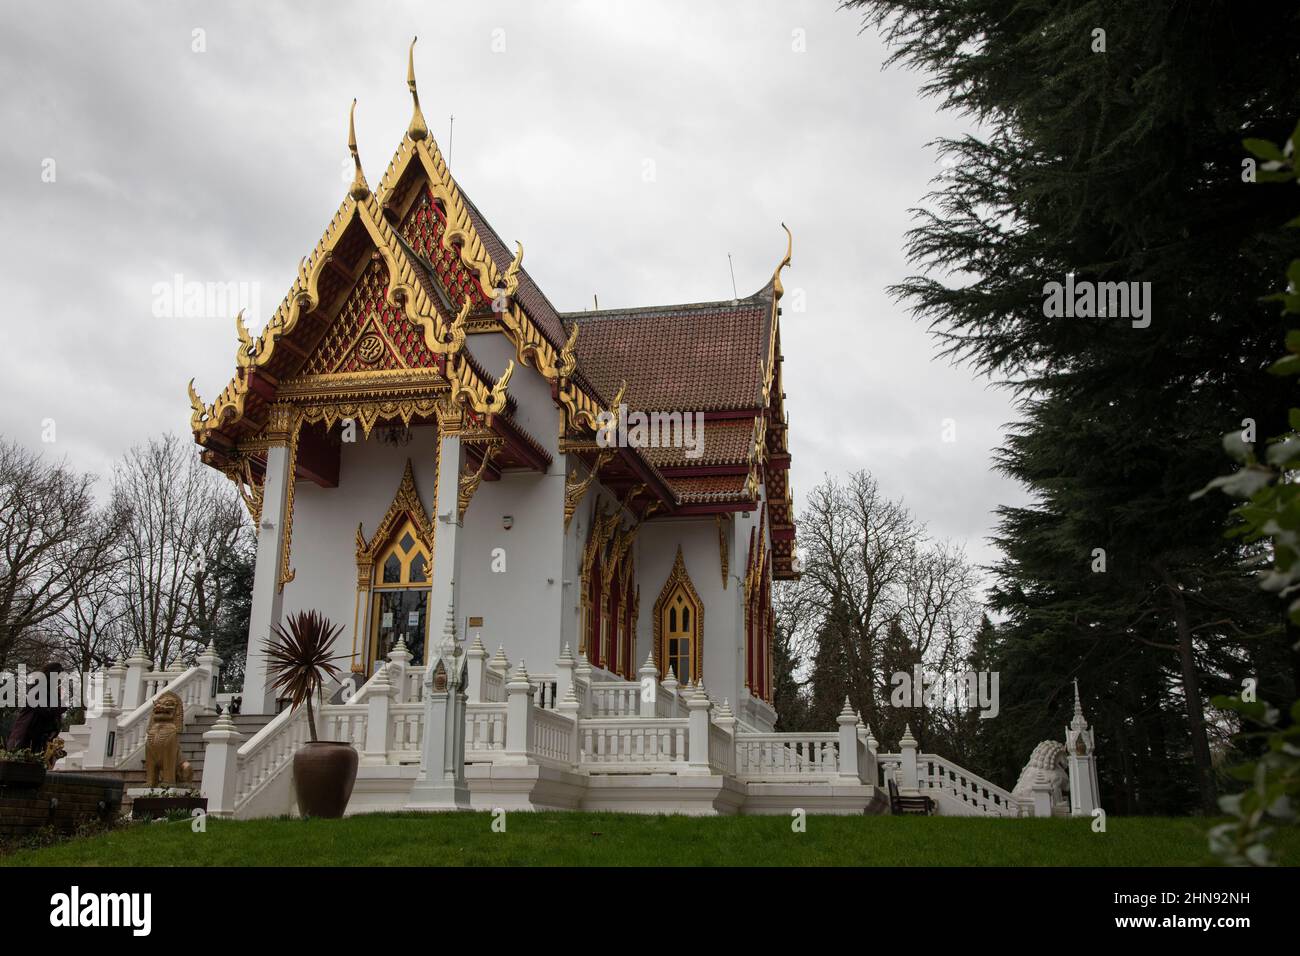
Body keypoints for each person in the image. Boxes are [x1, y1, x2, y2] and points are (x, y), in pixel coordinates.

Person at [5, 662, 68, 757]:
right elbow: (45, 711)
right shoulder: (39, 689)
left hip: (40, 735)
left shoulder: (51, 691)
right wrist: (61, 706)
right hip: (29, 732)